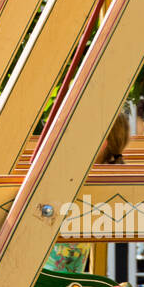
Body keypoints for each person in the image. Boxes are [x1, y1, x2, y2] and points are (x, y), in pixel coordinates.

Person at [47, 108, 132, 274]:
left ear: (100, 143)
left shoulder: (75, 179)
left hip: (43, 280)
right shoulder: (97, 179)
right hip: (61, 281)